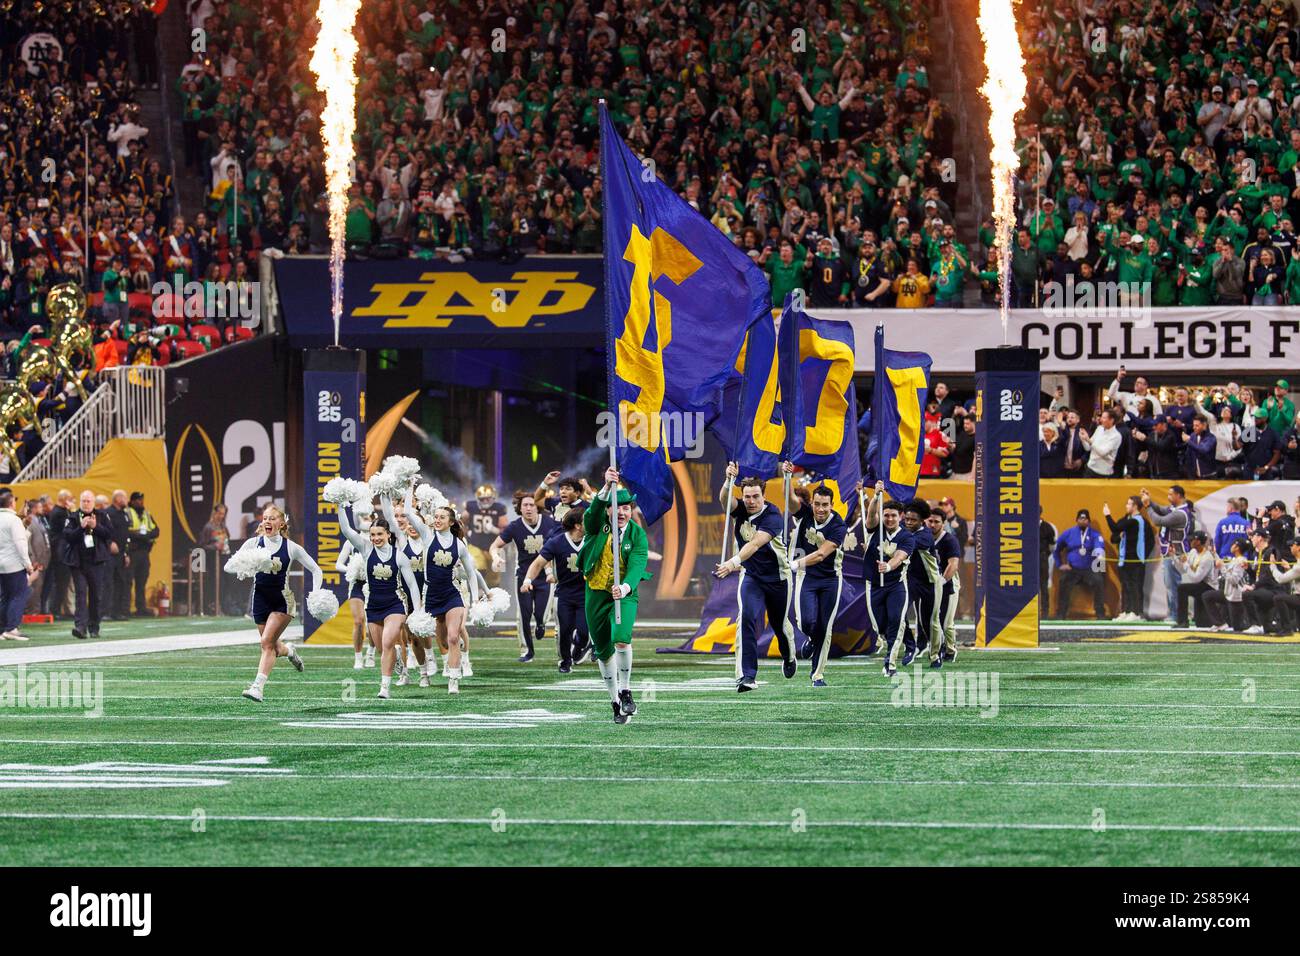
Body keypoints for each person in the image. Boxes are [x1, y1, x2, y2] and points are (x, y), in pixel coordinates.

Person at [715, 464, 797, 691]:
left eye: (755, 496)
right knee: (747, 618)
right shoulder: (740, 508)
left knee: (779, 625)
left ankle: (789, 654)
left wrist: (732, 562)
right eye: (747, 496)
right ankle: (746, 676)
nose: (751, 501)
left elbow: (755, 543)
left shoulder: (773, 515)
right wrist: (727, 480)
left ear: (763, 496)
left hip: (778, 578)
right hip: (751, 577)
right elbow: (724, 501)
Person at [227, 505, 321, 701]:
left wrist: (316, 593)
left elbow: (316, 570)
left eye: (272, 518)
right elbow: (229, 566)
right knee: (273, 646)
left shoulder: (292, 547)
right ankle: (289, 651)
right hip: (260, 599)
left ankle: (257, 688)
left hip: (282, 600)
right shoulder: (253, 543)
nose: (267, 521)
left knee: (266, 644)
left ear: (281, 523)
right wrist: (247, 564)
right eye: (265, 518)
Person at [581, 467, 650, 723]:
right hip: (596, 592)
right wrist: (606, 488)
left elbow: (637, 564)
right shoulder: (598, 526)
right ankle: (613, 701)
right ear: (608, 509)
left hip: (624, 594)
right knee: (603, 649)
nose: (621, 512)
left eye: (626, 508)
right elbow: (590, 517)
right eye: (616, 507)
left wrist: (626, 587)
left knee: (621, 638)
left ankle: (626, 691)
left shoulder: (636, 534)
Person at [401, 486, 478, 694]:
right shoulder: (427, 535)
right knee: (440, 639)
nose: (437, 520)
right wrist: (410, 488)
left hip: (451, 594)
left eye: (442, 517)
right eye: (435, 516)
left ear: (451, 522)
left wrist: (475, 598)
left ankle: (454, 679)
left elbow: (471, 573)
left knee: (453, 637)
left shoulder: (459, 545)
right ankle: (429, 669)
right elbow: (408, 512)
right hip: (431, 595)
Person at [338, 505, 421, 699]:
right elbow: (346, 530)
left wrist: (416, 611)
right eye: (372, 534)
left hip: (395, 605)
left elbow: (412, 585)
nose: (375, 538)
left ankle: (384, 687)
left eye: (379, 534)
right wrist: (340, 506)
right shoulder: (366, 549)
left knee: (387, 642)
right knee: (383, 648)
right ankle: (398, 661)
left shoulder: (399, 556)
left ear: (388, 535)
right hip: (373, 605)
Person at [787, 476, 845, 687]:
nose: (820, 509)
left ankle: (817, 674)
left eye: (825, 505)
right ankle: (810, 639)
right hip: (807, 578)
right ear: (812, 503)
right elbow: (792, 502)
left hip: (830, 579)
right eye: (817, 504)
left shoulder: (838, 525)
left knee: (825, 627)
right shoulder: (805, 514)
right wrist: (787, 480)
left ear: (831, 505)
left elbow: (821, 554)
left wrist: (795, 564)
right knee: (806, 621)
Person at [490, 491, 558, 663]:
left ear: (538, 506)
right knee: (524, 614)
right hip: (523, 575)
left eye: (532, 504)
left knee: (541, 614)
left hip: (546, 576)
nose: (528, 508)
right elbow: (495, 546)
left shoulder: (550, 523)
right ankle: (527, 650)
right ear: (519, 508)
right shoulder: (514, 527)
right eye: (525, 505)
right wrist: (496, 556)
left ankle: (541, 623)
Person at [859, 480, 915, 678]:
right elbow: (871, 514)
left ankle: (890, 663)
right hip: (873, 584)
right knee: (879, 625)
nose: (889, 519)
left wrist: (889, 566)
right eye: (887, 515)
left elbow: (900, 556)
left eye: (893, 516)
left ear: (900, 517)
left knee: (895, 621)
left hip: (896, 585)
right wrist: (875, 496)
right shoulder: (875, 529)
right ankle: (893, 642)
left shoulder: (907, 537)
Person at [524, 508, 588, 673]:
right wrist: (527, 580)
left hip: (586, 594)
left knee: (584, 631)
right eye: (586, 519)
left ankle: (580, 647)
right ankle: (565, 661)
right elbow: (538, 563)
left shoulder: (592, 540)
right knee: (564, 629)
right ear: (578, 525)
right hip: (564, 593)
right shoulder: (556, 541)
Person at [64, 490, 113, 639]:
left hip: (96, 562)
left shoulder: (102, 516)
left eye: (88, 501)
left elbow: (110, 534)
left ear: (93, 503)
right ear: (80, 502)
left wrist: (95, 526)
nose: (86, 504)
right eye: (83, 501)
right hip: (78, 562)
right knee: (80, 594)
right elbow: (67, 536)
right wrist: (81, 527)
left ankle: (94, 627)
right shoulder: (72, 517)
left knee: (96, 595)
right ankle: (80, 627)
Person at [1142, 485, 1195, 622]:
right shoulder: (1175, 509)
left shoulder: (1180, 514)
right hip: (1170, 552)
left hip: (1175, 553)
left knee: (1173, 586)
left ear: (1179, 496)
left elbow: (1158, 520)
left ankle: (1175, 615)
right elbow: (1160, 509)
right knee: (1170, 585)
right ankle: (1175, 613)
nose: (1168, 497)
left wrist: (1147, 506)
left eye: (1171, 494)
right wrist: (1149, 500)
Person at [900, 499, 939, 667]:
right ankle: (910, 645)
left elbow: (908, 543)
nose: (908, 522)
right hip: (909, 580)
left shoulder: (925, 535)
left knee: (929, 621)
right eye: (907, 519)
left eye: (913, 520)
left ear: (922, 520)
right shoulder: (902, 530)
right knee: (899, 613)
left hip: (929, 582)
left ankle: (936, 654)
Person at [1104, 497, 1154, 622]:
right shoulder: (1130, 521)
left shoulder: (1136, 521)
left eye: (1128, 504)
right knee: (1126, 585)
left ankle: (1136, 612)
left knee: (1134, 586)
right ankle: (1126, 611)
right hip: (1125, 559)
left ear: (1135, 506)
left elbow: (1115, 528)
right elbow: (1116, 534)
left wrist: (1107, 515)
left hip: (1134, 559)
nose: (1126, 506)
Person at [1053, 508, 1107, 619]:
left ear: (1089, 521)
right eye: (1080, 519)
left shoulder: (1095, 534)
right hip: (1073, 569)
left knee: (1099, 580)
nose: (1083, 521)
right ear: (1076, 520)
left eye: (1085, 519)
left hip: (1089, 569)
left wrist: (1099, 554)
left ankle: (1100, 613)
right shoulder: (1068, 533)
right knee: (1063, 581)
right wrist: (1060, 564)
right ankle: (1061, 613)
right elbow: (1056, 549)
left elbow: (1099, 546)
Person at [925, 507, 961, 665]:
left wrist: (942, 581)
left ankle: (951, 648)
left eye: (936, 522)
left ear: (944, 523)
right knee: (932, 620)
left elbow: (953, 565)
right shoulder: (923, 538)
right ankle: (935, 649)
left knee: (946, 621)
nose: (932, 524)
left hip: (948, 583)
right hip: (931, 583)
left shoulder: (949, 540)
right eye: (930, 521)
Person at [0, 489, 37, 641]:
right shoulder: (14, 520)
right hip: (14, 565)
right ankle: (11, 628)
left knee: (4, 597)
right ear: (11, 503)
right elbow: (20, 544)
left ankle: (3, 628)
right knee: (18, 595)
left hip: (1, 565)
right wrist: (28, 564)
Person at [463, 484, 508, 588]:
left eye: (488, 499)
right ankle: (479, 593)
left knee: (494, 578)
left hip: (494, 546)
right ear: (478, 499)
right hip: (475, 543)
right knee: (478, 567)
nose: (486, 501)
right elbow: (462, 522)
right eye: (483, 499)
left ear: (493, 498)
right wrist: (466, 531)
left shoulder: (499, 508)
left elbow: (506, 530)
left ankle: (493, 597)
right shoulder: (471, 506)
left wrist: (494, 529)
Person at [1202, 539, 1251, 633]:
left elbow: (1234, 580)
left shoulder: (1241, 561)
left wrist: (1222, 568)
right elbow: (1224, 566)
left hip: (1236, 598)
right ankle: (1219, 623)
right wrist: (1214, 554)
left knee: (1238, 627)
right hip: (1228, 594)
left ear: (1237, 548)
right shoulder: (1235, 560)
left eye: (1233, 544)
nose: (1231, 546)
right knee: (1207, 596)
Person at [125, 491, 158, 615]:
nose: (141, 502)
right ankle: (126, 608)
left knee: (142, 581)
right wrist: (140, 535)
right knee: (128, 581)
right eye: (138, 500)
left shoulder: (146, 514)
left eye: (142, 499)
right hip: (132, 551)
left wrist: (145, 535)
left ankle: (141, 607)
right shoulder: (127, 513)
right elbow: (125, 531)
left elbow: (156, 531)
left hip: (144, 552)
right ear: (132, 501)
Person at [1173, 532, 1215, 628]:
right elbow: (1182, 570)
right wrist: (1174, 557)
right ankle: (1182, 621)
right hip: (1200, 584)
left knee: (1182, 588)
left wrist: (1186, 564)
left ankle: (1183, 621)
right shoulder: (1193, 552)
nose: (1190, 541)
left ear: (1198, 542)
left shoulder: (1207, 558)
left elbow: (1196, 578)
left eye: (1192, 540)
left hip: (1208, 586)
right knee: (1201, 624)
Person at [106, 490, 131, 620]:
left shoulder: (124, 514)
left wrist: (126, 553)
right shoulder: (108, 513)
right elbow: (103, 531)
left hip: (121, 554)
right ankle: (106, 612)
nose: (127, 500)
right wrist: (109, 543)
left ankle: (117, 611)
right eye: (125, 498)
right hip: (109, 555)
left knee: (120, 582)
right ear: (118, 499)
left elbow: (126, 535)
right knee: (108, 583)